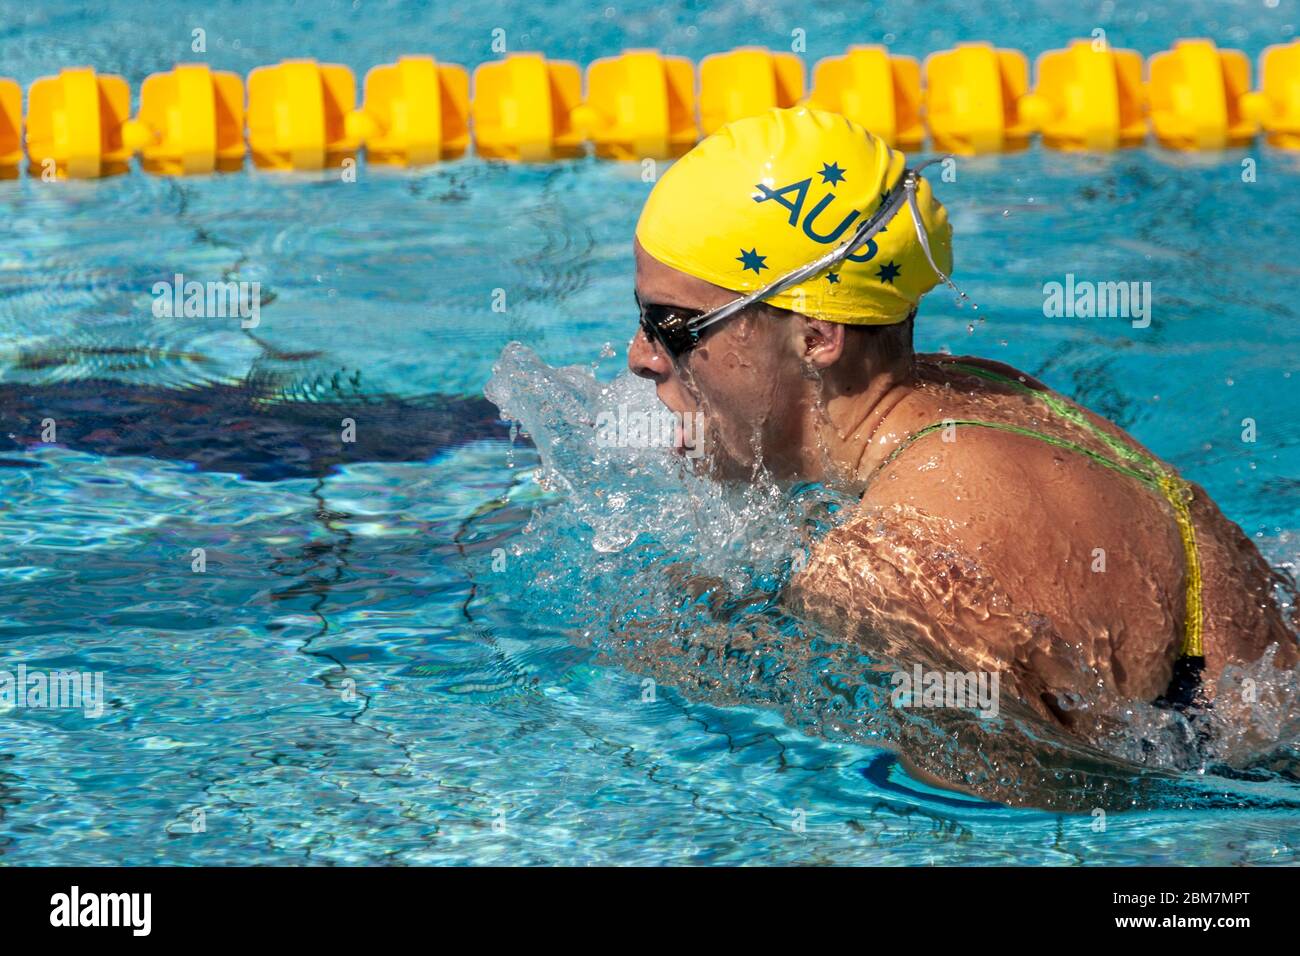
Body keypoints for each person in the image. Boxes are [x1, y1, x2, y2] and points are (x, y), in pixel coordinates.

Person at [627, 106, 1296, 732]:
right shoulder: (979, 390)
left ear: (815, 337)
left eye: (672, 328)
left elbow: (1025, 816)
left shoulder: (882, 568)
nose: (641, 357)